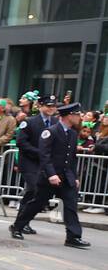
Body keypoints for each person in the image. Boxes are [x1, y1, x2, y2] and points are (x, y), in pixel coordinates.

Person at [9, 102, 91, 248]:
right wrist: (51, 174)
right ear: (68, 116)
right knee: (37, 203)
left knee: (71, 205)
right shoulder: (51, 132)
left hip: (66, 176)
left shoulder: (72, 134)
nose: (79, 117)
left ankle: (73, 236)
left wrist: (75, 177)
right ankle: (17, 226)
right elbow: (45, 156)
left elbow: (71, 158)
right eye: (77, 115)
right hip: (49, 176)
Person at [13, 95, 59, 235]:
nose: (51, 109)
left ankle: (22, 222)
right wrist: (40, 152)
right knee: (33, 189)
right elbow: (21, 142)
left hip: (46, 164)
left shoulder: (56, 122)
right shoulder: (29, 122)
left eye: (53, 106)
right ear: (40, 106)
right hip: (30, 162)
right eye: (48, 106)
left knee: (35, 194)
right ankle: (21, 223)